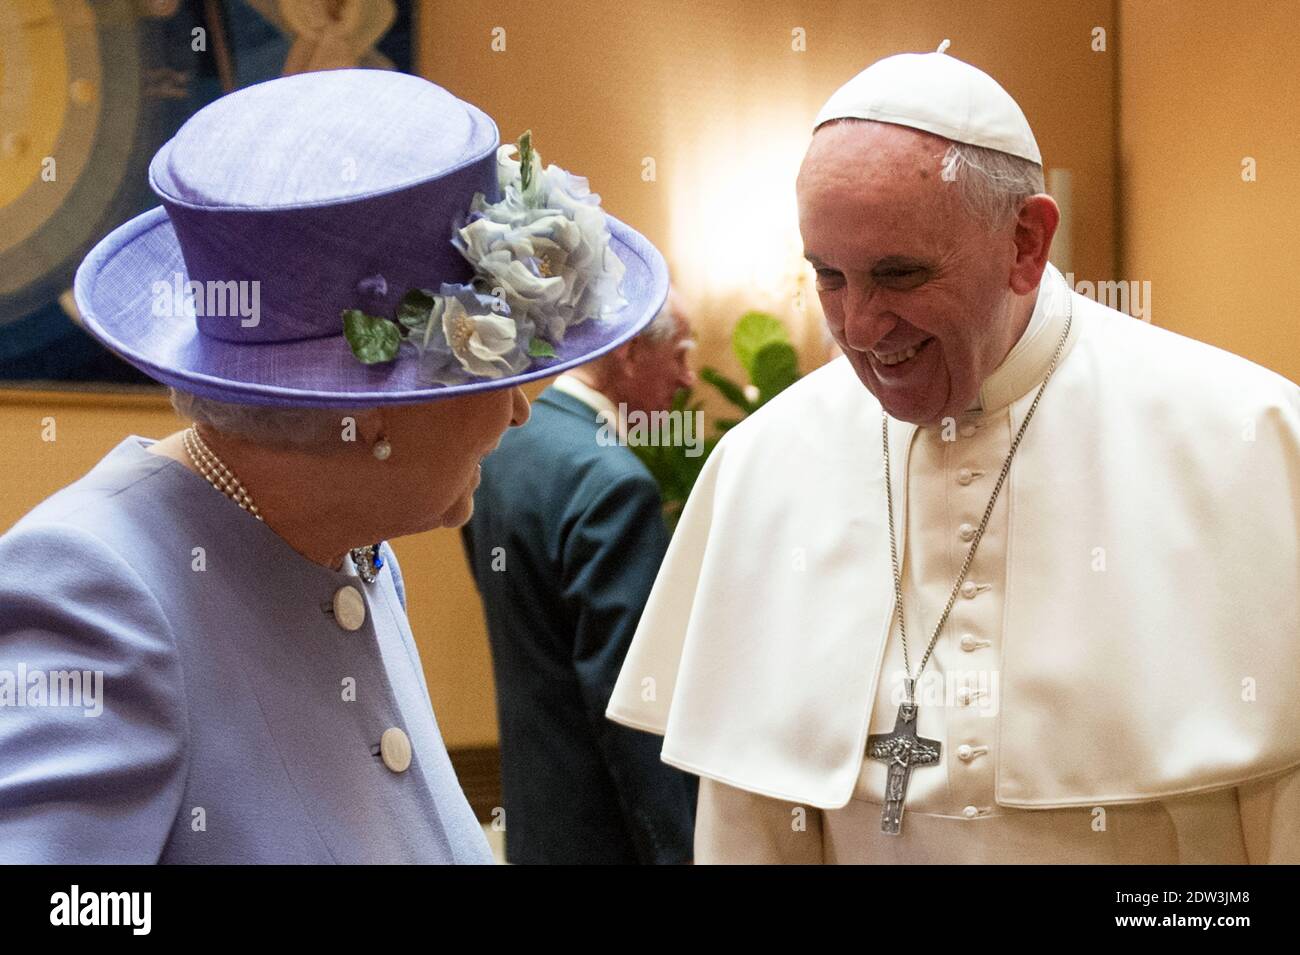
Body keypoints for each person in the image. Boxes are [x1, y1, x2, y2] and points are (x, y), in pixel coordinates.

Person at [606, 43, 1300, 863]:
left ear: (1025, 243)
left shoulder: (1246, 439)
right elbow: (748, 825)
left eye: (899, 274)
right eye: (829, 276)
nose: (859, 328)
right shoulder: (764, 465)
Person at [0, 68, 669, 863]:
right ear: (371, 408)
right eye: (493, 371)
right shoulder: (97, 590)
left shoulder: (350, 551)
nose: (521, 409)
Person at [462, 292, 697, 864]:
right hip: (609, 837)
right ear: (632, 353)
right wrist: (678, 850)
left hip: (538, 822)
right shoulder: (615, 484)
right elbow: (629, 705)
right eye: (682, 355)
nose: (689, 380)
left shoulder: (504, 454)